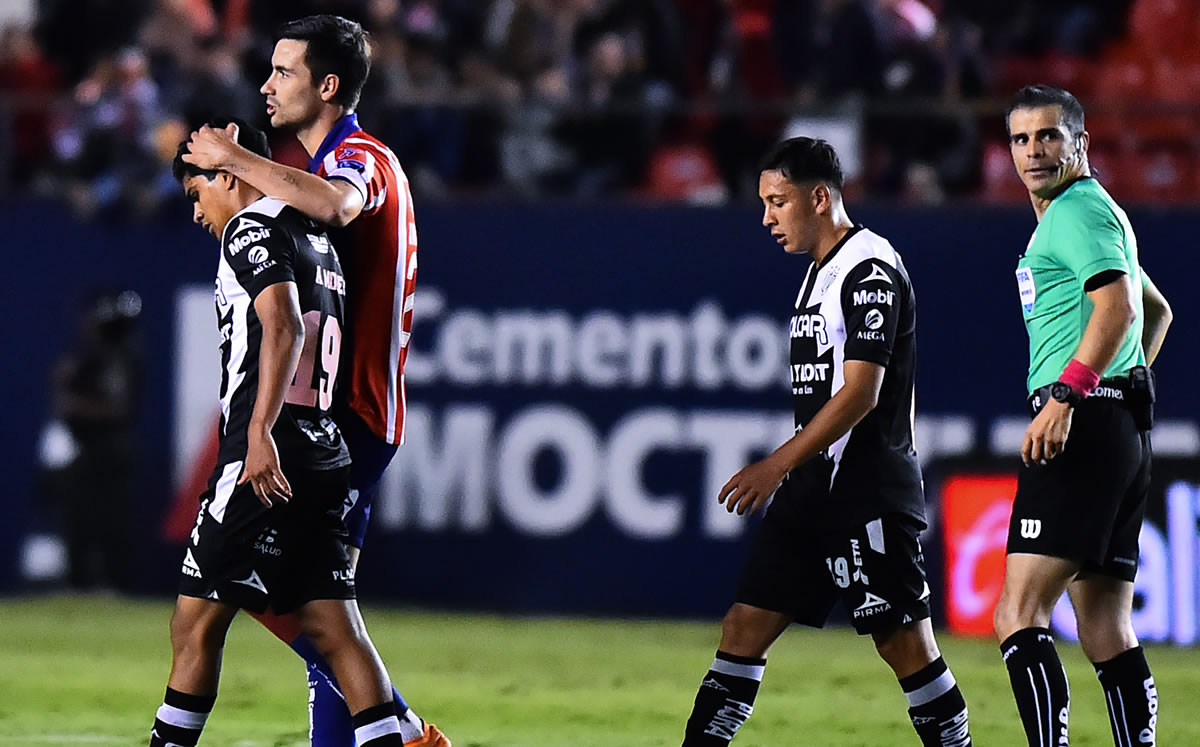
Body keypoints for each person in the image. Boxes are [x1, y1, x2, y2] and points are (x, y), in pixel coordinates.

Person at [181, 15, 445, 746]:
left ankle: (400, 729)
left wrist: (238, 159)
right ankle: (395, 729)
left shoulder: (361, 157)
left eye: (284, 72)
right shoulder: (322, 163)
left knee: (276, 601)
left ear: (328, 86)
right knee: (318, 609)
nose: (267, 85)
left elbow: (336, 204)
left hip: (351, 413)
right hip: (344, 415)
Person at [680, 137, 972, 747]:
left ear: (819, 197)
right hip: (814, 487)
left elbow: (863, 393)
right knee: (742, 628)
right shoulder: (819, 272)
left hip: (866, 487)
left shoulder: (869, 268)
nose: (766, 218)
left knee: (904, 645)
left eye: (777, 202)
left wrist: (775, 465)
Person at [151, 118, 406, 746]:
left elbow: (285, 323)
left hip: (268, 449)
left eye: (196, 194)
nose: (197, 213)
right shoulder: (315, 233)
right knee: (336, 629)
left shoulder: (252, 227)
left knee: (194, 627)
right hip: (325, 447)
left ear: (229, 176)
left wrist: (260, 430)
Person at [994, 84, 1173, 747]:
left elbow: (1122, 310)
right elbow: (1156, 311)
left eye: (1048, 135)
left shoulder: (1075, 212)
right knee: (1103, 626)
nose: (1034, 151)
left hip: (1083, 425)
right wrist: (1123, 384)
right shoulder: (1090, 215)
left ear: (1081, 143)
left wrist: (1071, 396)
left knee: (1018, 610)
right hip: (1115, 427)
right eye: (1020, 138)